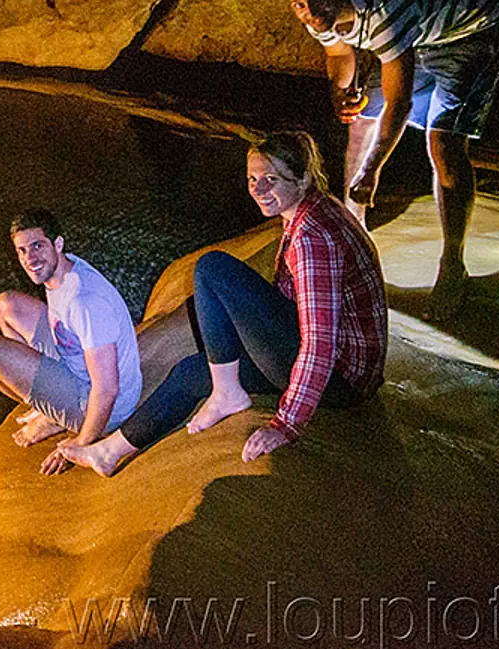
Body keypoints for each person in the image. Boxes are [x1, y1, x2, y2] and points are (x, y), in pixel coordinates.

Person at [61, 131, 386, 476]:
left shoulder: (312, 237)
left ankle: (226, 391)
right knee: (193, 371)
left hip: (341, 379)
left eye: (271, 179)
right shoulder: (312, 208)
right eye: (252, 179)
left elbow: (321, 343)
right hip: (344, 369)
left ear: (304, 178)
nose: (258, 189)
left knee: (212, 269)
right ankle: (109, 452)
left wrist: (286, 424)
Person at [278, 0, 499, 317]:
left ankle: (453, 264)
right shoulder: (317, 13)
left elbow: (398, 103)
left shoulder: (383, 10)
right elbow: (338, 54)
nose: (310, 11)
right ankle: (354, 239)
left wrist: (372, 171)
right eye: (298, 5)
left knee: (444, 144)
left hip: (474, 27)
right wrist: (340, 94)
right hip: (425, 28)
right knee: (361, 115)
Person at [0, 209, 144, 475]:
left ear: (58, 244)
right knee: (5, 306)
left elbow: (107, 389)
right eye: (22, 251)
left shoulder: (85, 302)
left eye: (37, 246)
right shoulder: (65, 267)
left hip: (102, 406)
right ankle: (48, 406)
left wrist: (81, 443)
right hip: (73, 359)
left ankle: (55, 417)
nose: (29, 259)